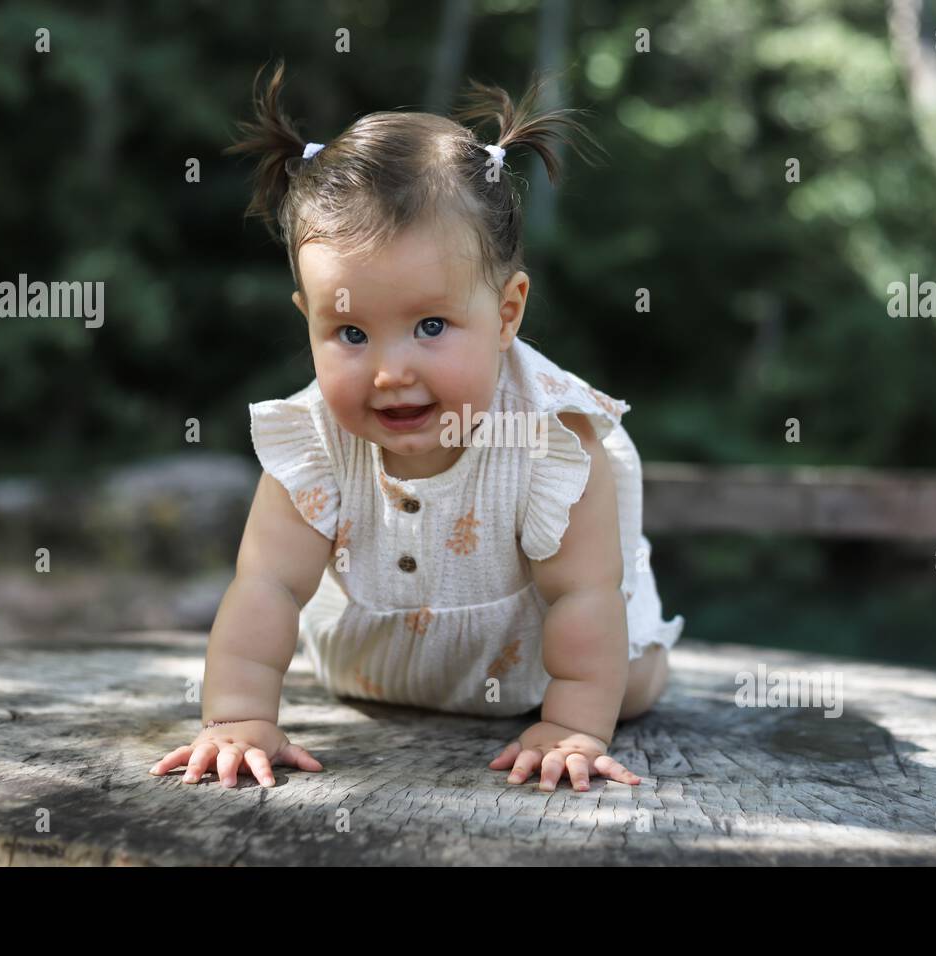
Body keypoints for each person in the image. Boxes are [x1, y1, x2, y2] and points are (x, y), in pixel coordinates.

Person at [150, 61, 683, 794]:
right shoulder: (315, 440)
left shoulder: (549, 437)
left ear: (506, 313)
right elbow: (266, 584)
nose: (390, 370)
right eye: (351, 333)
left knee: (632, 681)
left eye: (430, 325)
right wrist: (238, 717)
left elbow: (583, 595)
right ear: (308, 319)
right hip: (370, 671)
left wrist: (573, 726)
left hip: (546, 676)